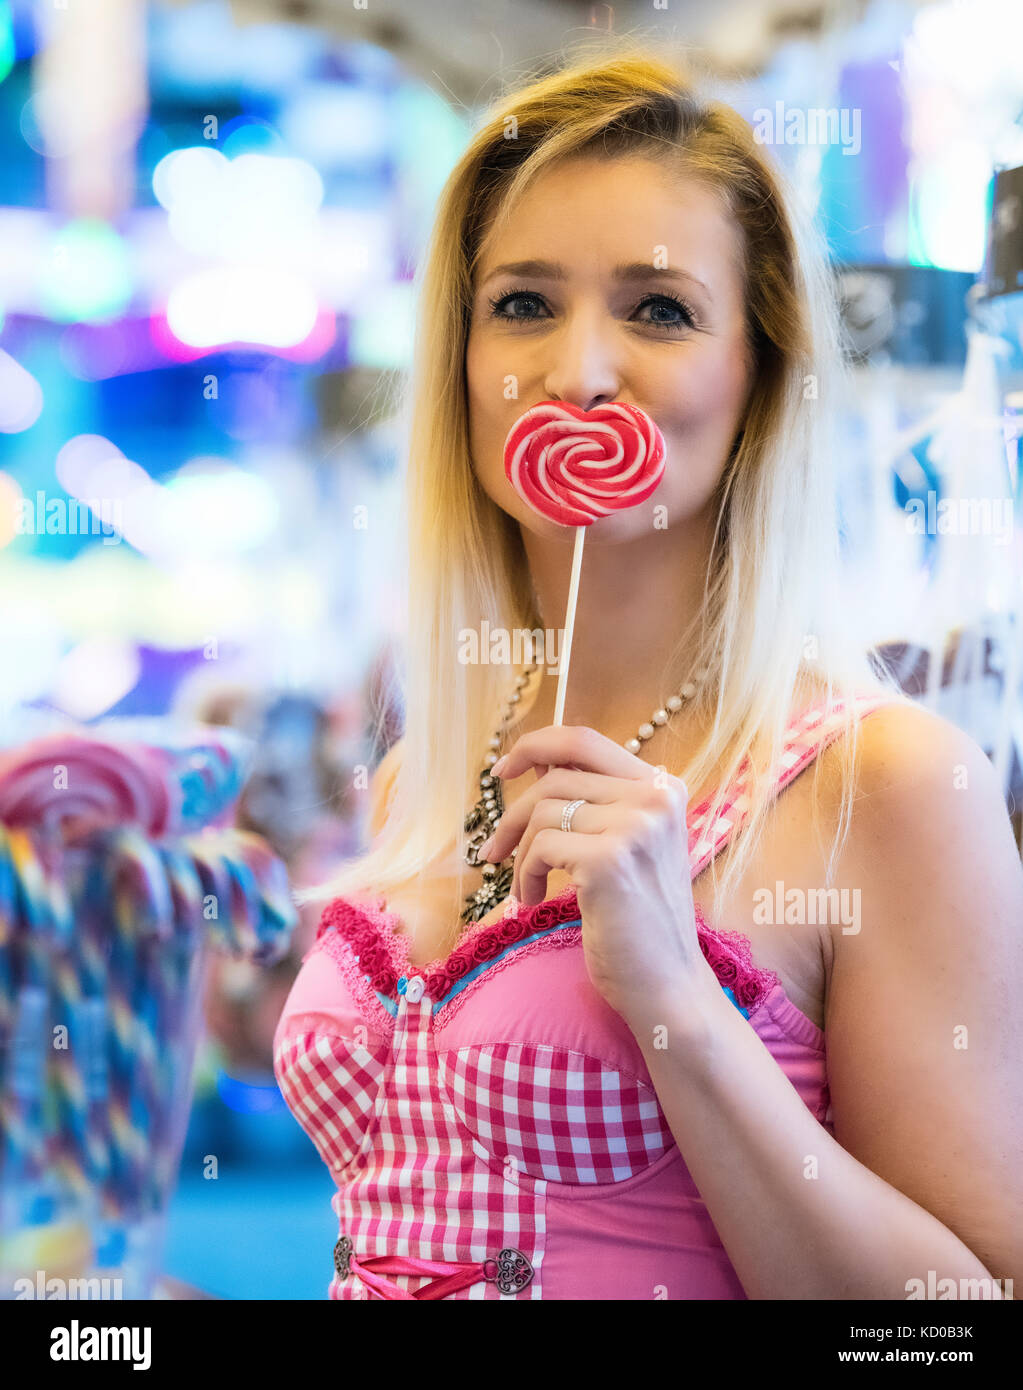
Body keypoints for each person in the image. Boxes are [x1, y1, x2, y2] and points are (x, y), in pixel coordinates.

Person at [273, 46, 1023, 1300]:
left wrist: (675, 997)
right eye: (521, 303)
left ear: (761, 375)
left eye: (660, 309)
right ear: (459, 362)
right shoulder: (426, 764)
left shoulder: (882, 784)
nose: (579, 373)